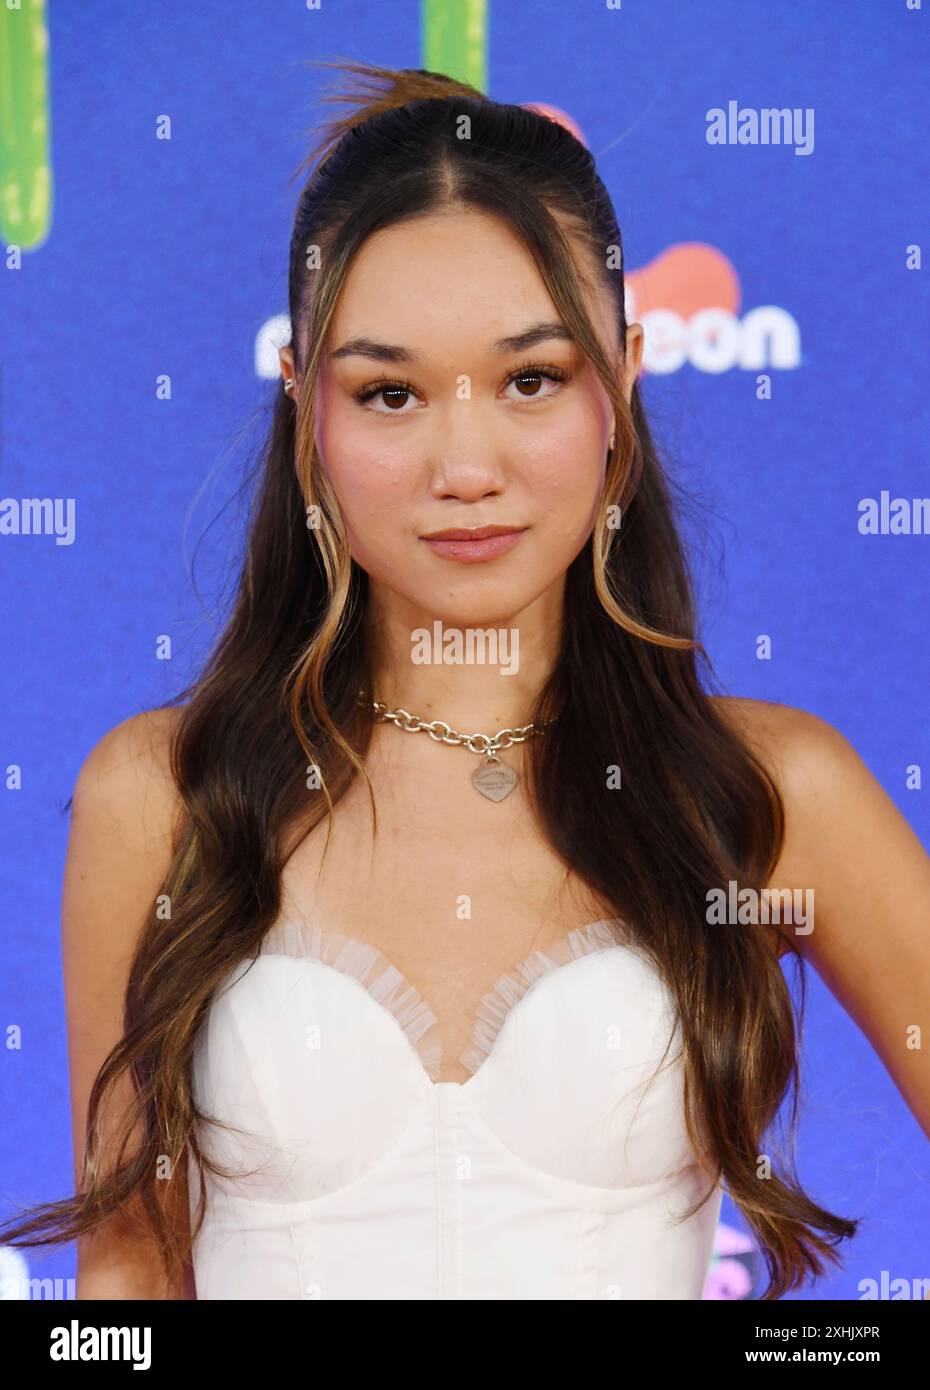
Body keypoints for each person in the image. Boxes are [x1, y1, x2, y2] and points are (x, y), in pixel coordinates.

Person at [2, 61, 928, 1302]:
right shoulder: (161, 795)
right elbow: (124, 1286)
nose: (466, 463)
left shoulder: (766, 791)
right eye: (389, 393)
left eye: (531, 379)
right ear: (305, 416)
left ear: (624, 383)